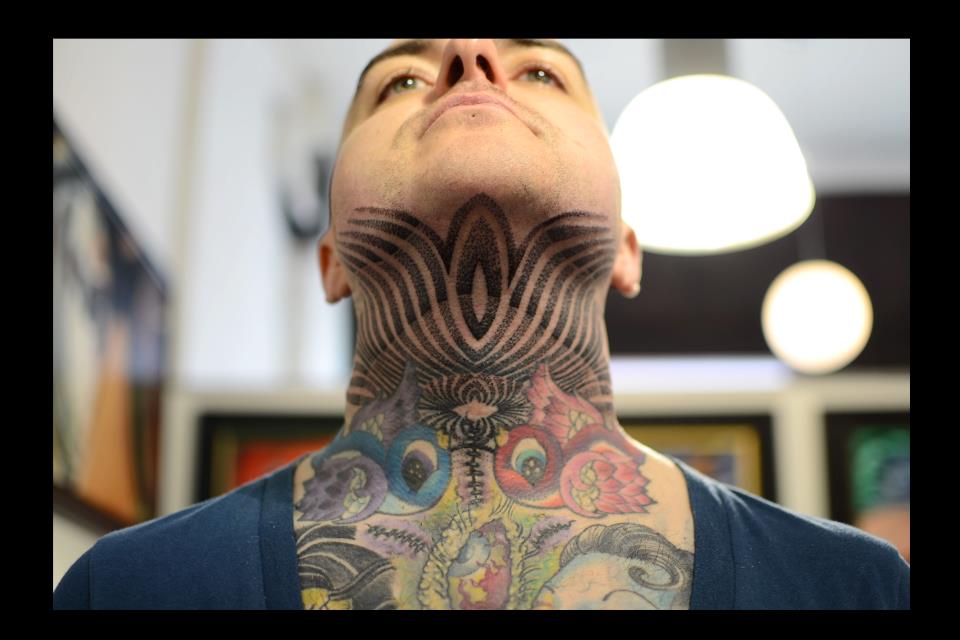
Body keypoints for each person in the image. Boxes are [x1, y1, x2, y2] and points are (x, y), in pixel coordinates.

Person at [53, 39, 910, 610]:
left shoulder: (856, 590)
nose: (470, 59)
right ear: (333, 261)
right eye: (401, 82)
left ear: (626, 247)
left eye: (540, 74)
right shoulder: (124, 593)